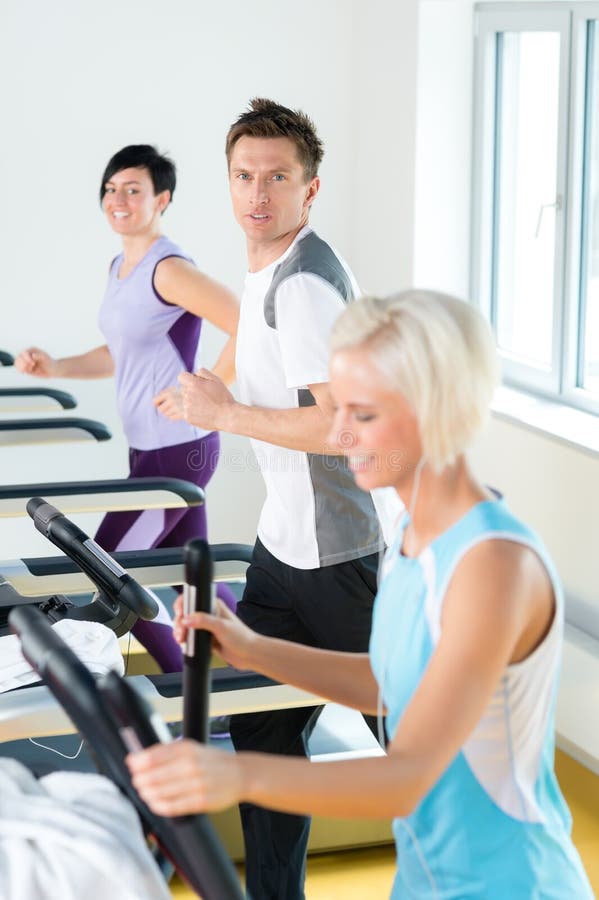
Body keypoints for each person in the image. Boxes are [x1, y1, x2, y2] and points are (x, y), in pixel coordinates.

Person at [128, 289, 593, 899]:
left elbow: (408, 778)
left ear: (438, 411)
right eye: (337, 409)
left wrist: (233, 775)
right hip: (429, 881)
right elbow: (394, 683)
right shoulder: (409, 537)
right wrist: (250, 649)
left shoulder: (492, 566)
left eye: (363, 415)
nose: (340, 435)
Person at [156, 99, 388, 899]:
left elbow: (343, 425)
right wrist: (212, 388)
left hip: (337, 557)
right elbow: (262, 364)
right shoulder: (266, 272)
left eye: (277, 177)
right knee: (261, 737)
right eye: (244, 176)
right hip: (280, 553)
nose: (258, 193)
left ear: (310, 188)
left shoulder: (306, 287)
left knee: (413, 735)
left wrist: (222, 414)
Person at [15, 144, 239, 673]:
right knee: (193, 570)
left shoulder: (169, 268)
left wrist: (201, 389)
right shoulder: (121, 266)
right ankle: (265, 664)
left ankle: (188, 696)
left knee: (112, 573)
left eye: (133, 189)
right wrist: (57, 367)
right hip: (152, 449)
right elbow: (121, 352)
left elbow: (248, 322)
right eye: (111, 188)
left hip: (176, 449)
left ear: (161, 199)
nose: (118, 198)